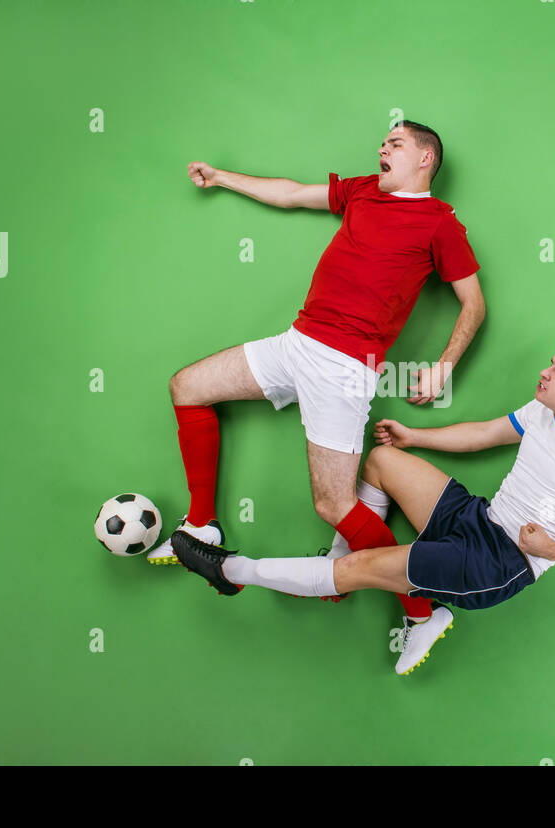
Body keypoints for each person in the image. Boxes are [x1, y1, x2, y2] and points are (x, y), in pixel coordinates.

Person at [150, 121, 485, 627]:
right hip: (297, 342)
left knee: (334, 505)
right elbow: (291, 194)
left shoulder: (439, 223)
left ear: (425, 159)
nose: (381, 149)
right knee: (188, 387)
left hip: (344, 366)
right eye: (382, 143)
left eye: (394, 144)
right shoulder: (365, 190)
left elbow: (474, 304)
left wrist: (443, 367)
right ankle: (201, 526)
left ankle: (424, 612)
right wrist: (221, 177)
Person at [172, 337, 555, 675]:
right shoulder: (545, 411)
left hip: (499, 562)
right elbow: (484, 434)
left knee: (361, 568)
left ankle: (230, 571)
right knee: (382, 461)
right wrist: (415, 437)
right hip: (479, 518)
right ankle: (362, 579)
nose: (545, 373)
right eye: (550, 363)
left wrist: (552, 549)